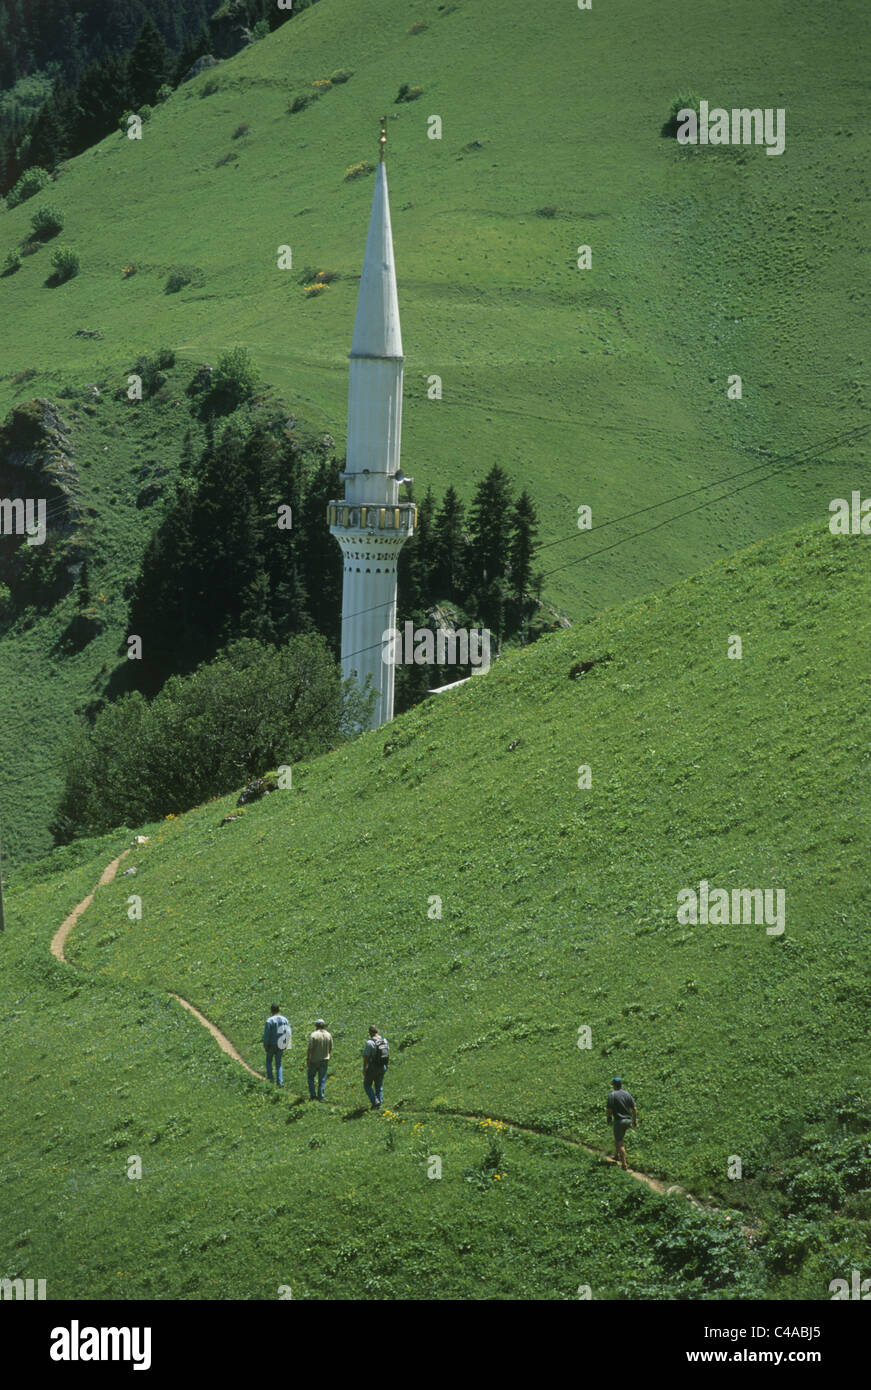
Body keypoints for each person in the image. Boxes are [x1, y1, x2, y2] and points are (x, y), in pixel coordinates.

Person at [606, 1075, 638, 1170]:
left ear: (614, 1085)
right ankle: (616, 1156)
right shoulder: (627, 1094)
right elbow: (634, 1109)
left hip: (619, 1121)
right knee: (618, 1138)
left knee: (620, 1142)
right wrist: (635, 1120)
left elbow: (609, 1109)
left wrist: (608, 1118)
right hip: (628, 1121)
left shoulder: (612, 1095)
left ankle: (624, 1164)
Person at [262, 1003, 290, 1087]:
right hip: (281, 1044)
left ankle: (270, 1079)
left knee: (269, 1061)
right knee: (279, 1063)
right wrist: (286, 1043)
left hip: (271, 1044)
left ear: (271, 1010)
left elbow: (267, 1034)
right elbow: (288, 1032)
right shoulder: (285, 1020)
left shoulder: (270, 1021)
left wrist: (265, 1045)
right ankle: (280, 1082)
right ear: (279, 1010)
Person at [362, 1024, 389, 1109]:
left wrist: (364, 1068)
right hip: (382, 1066)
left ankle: (375, 1101)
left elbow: (366, 1056)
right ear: (377, 1031)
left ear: (370, 1032)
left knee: (367, 1084)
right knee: (379, 1086)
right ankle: (379, 1106)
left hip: (373, 1066)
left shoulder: (370, 1042)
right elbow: (388, 1053)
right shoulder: (384, 1040)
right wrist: (387, 1065)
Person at [306, 1018, 333, 1101]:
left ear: (316, 1026)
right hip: (325, 1059)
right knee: (322, 1078)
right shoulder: (329, 1035)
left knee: (311, 1077)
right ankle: (321, 1096)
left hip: (314, 1059)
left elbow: (310, 1048)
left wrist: (308, 1058)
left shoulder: (313, 1035)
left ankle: (313, 1095)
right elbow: (331, 1048)